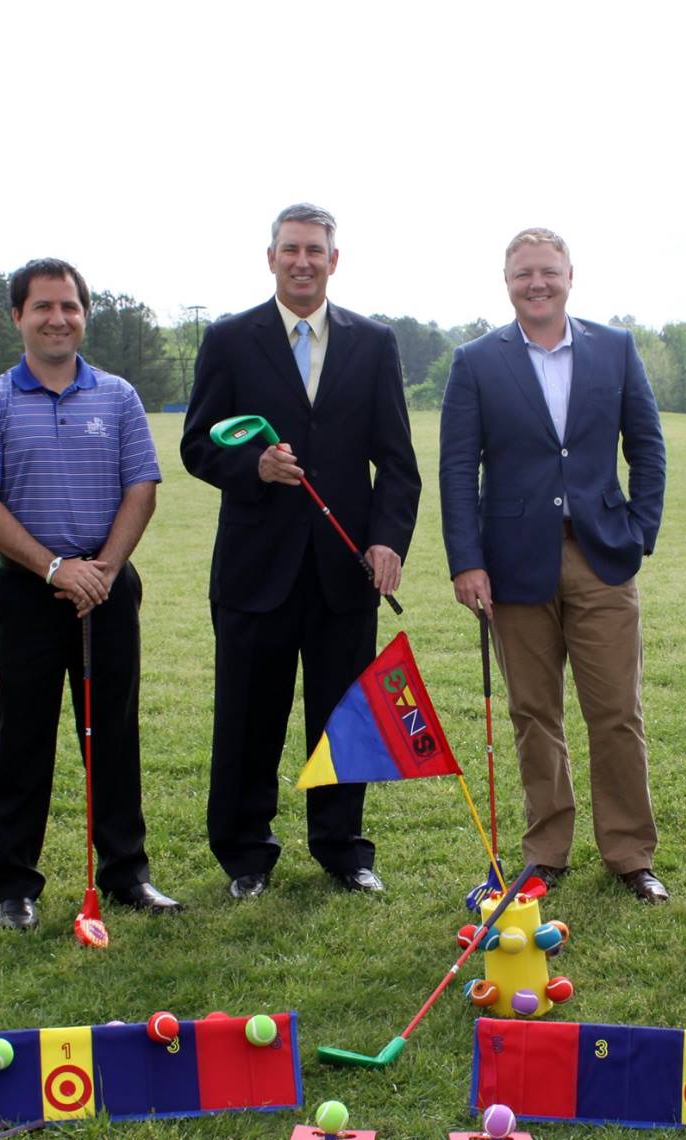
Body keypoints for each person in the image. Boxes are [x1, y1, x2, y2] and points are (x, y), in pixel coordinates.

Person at [181, 204, 421, 898]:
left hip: (344, 571)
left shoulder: (373, 343)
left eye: (315, 250)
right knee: (248, 718)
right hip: (256, 571)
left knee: (344, 717)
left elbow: (397, 462)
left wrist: (386, 540)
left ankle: (344, 848)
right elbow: (197, 444)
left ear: (333, 261)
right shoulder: (230, 339)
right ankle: (246, 855)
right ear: (272, 258)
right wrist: (252, 469)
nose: (303, 261)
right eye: (291, 249)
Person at [439, 228, 669, 903]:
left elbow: (648, 447)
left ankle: (630, 851)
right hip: (511, 567)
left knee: (616, 710)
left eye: (548, 271)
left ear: (570, 273)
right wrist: (466, 561)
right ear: (505, 280)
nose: (536, 283)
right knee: (533, 712)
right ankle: (546, 849)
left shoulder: (616, 349)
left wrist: (639, 532)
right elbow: (458, 470)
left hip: (601, 556)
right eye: (523, 274)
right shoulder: (476, 361)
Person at [0, 258, 179, 932]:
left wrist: (103, 569)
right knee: (23, 740)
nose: (58, 318)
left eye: (70, 306)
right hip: (29, 591)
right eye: (44, 306)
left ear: (84, 314)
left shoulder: (117, 396)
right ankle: (15, 884)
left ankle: (126, 872)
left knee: (113, 737)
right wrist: (55, 568)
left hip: (107, 587)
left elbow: (142, 487)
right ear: (17, 316)